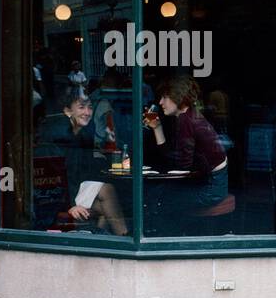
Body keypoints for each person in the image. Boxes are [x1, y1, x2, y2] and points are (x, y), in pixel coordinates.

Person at [34, 85, 127, 235]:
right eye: (81, 107)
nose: (87, 112)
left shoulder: (84, 135)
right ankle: (122, 237)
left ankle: (107, 241)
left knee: (106, 195)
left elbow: (89, 171)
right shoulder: (57, 137)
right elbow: (53, 180)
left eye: (90, 108)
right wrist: (69, 207)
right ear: (67, 111)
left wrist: (107, 145)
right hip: (56, 200)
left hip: (74, 190)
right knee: (106, 200)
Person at [144, 76, 229, 233]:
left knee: (160, 199)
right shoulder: (188, 116)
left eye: (165, 97)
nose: (161, 102)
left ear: (178, 96)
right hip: (213, 181)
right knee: (161, 194)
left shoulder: (186, 121)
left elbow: (181, 165)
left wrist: (156, 130)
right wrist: (157, 128)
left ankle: (165, 240)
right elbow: (181, 161)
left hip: (211, 187)